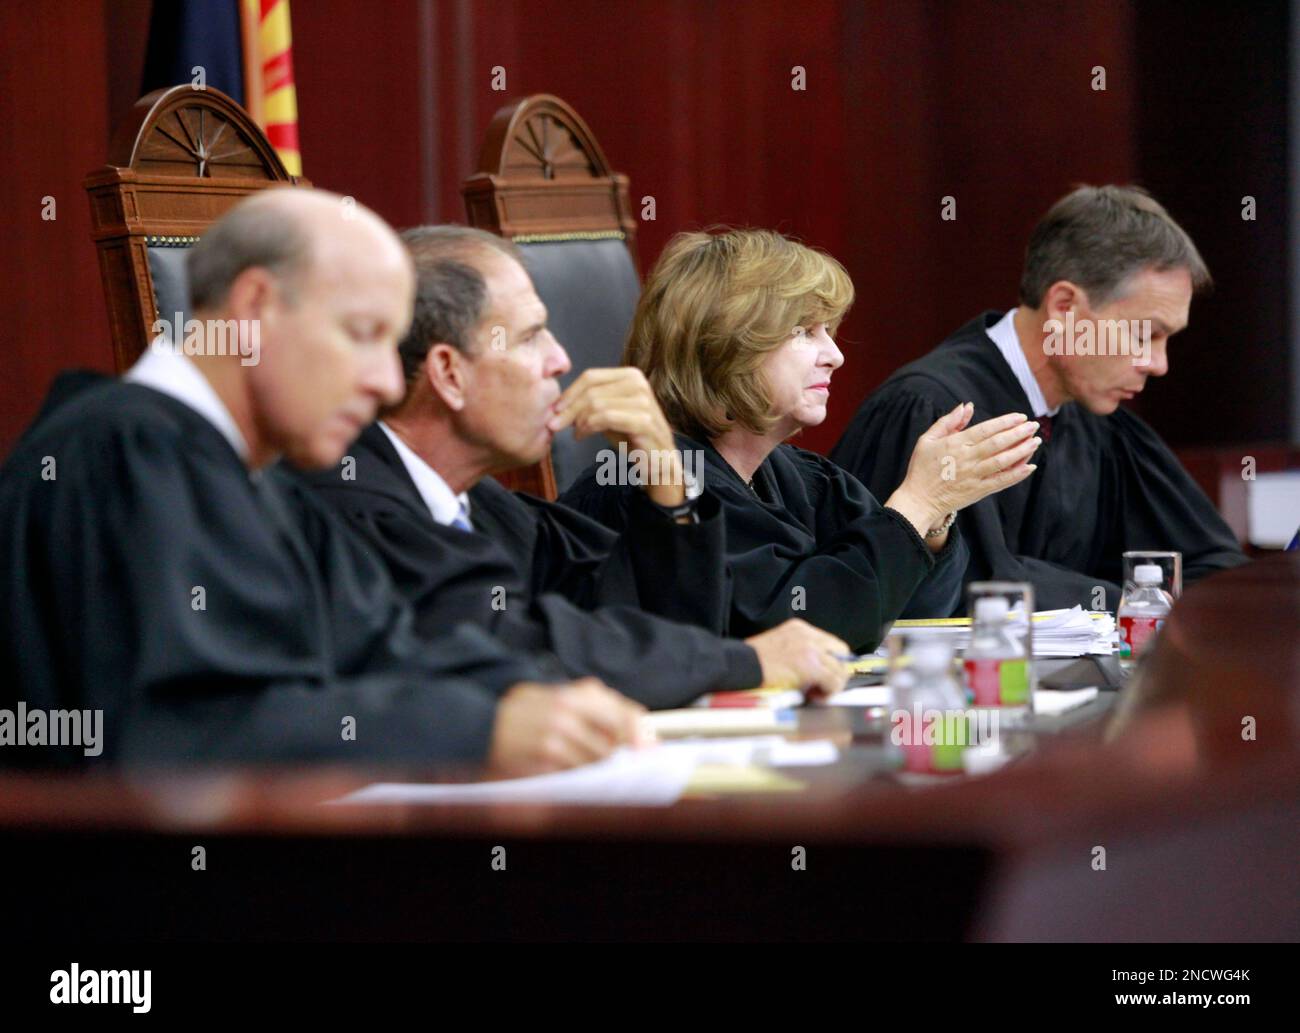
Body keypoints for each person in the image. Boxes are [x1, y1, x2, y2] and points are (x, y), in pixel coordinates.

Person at [0, 188, 643, 774]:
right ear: (255, 307)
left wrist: (546, 698)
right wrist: (479, 729)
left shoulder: (264, 486)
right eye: (363, 335)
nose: (388, 383)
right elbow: (187, 732)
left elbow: (393, 646)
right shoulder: (124, 454)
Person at [298, 226, 850, 706]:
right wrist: (747, 663)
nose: (561, 360)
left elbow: (655, 629)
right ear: (449, 373)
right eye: (531, 336)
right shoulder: (350, 504)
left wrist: (665, 478)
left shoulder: (483, 505)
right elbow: (521, 649)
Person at [560, 229, 1040, 653]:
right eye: (804, 332)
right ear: (725, 346)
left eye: (828, 331)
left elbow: (912, 611)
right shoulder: (656, 487)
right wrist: (919, 501)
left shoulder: (797, 476)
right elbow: (802, 629)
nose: (835, 356)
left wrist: (934, 519)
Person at [831, 185, 1248, 610]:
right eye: (1144, 333)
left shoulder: (1098, 426)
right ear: (1064, 306)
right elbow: (931, 592)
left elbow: (1211, 565)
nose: (1158, 364)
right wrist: (1122, 602)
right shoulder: (931, 411)